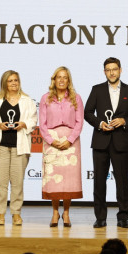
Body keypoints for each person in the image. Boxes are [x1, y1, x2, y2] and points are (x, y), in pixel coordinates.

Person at [83, 57, 128, 229]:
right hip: (100, 141)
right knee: (99, 181)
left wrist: (124, 121)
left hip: (121, 142)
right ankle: (100, 217)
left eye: (114, 69)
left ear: (120, 70)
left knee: (122, 182)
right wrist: (100, 124)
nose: (111, 72)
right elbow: (87, 112)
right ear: (104, 72)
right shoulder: (97, 89)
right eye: (108, 69)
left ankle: (123, 217)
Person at [0, 70, 38, 226]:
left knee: (17, 183)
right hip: (0, 146)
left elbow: (33, 119)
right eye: (10, 81)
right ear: (4, 83)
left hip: (19, 147)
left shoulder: (27, 100)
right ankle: (0, 213)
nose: (14, 83)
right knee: (0, 183)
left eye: (16, 80)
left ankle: (16, 213)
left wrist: (24, 124)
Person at [39, 66, 84, 227]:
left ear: (69, 80)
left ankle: (66, 213)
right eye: (59, 77)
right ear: (54, 79)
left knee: (69, 182)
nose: (62, 80)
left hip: (71, 144)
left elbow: (79, 123)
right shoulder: (46, 98)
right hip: (52, 143)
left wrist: (70, 139)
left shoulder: (75, 98)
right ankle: (55, 212)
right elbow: (42, 124)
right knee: (54, 181)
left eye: (65, 77)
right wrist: (52, 141)